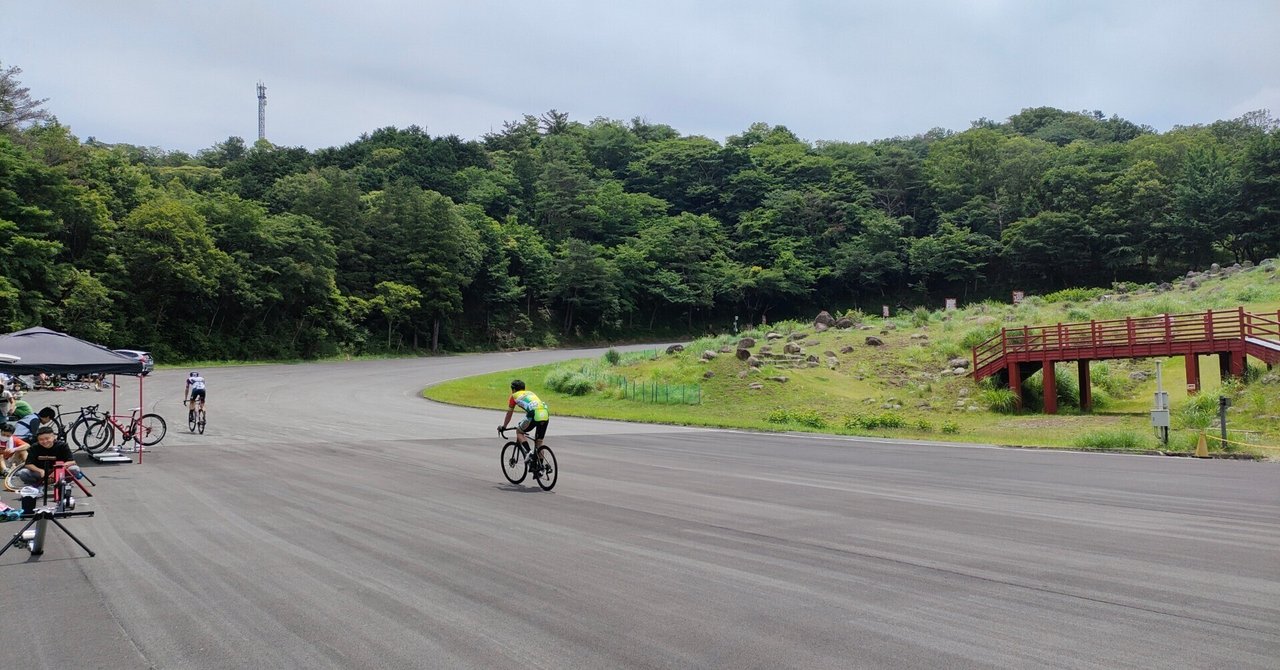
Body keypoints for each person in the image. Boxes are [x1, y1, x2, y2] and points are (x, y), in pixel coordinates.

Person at [499, 379, 550, 469]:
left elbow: (509, 413)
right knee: (539, 442)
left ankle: (529, 452)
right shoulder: (530, 393)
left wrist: (504, 426)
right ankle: (540, 467)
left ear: (513, 389)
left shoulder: (514, 396)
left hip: (534, 414)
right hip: (545, 413)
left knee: (519, 431)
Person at [12, 426, 80, 488]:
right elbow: (28, 464)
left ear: (53, 437)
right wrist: (40, 471)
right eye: (41, 439)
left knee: (75, 469)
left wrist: (57, 470)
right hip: (41, 472)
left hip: (59, 471)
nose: (44, 441)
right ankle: (37, 485)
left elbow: (71, 461)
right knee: (23, 473)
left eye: (47, 438)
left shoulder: (62, 445)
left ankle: (65, 482)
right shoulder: (34, 447)